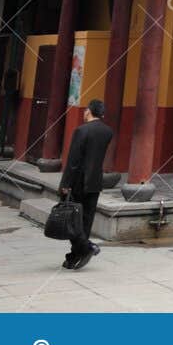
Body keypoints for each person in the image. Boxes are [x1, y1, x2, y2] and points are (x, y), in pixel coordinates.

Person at [58, 99, 113, 271]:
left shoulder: (81, 131)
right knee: (86, 220)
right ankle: (75, 256)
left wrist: (65, 183)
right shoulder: (107, 131)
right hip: (95, 181)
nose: (84, 113)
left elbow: (73, 161)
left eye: (85, 110)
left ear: (89, 111)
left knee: (73, 220)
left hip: (79, 181)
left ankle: (87, 247)